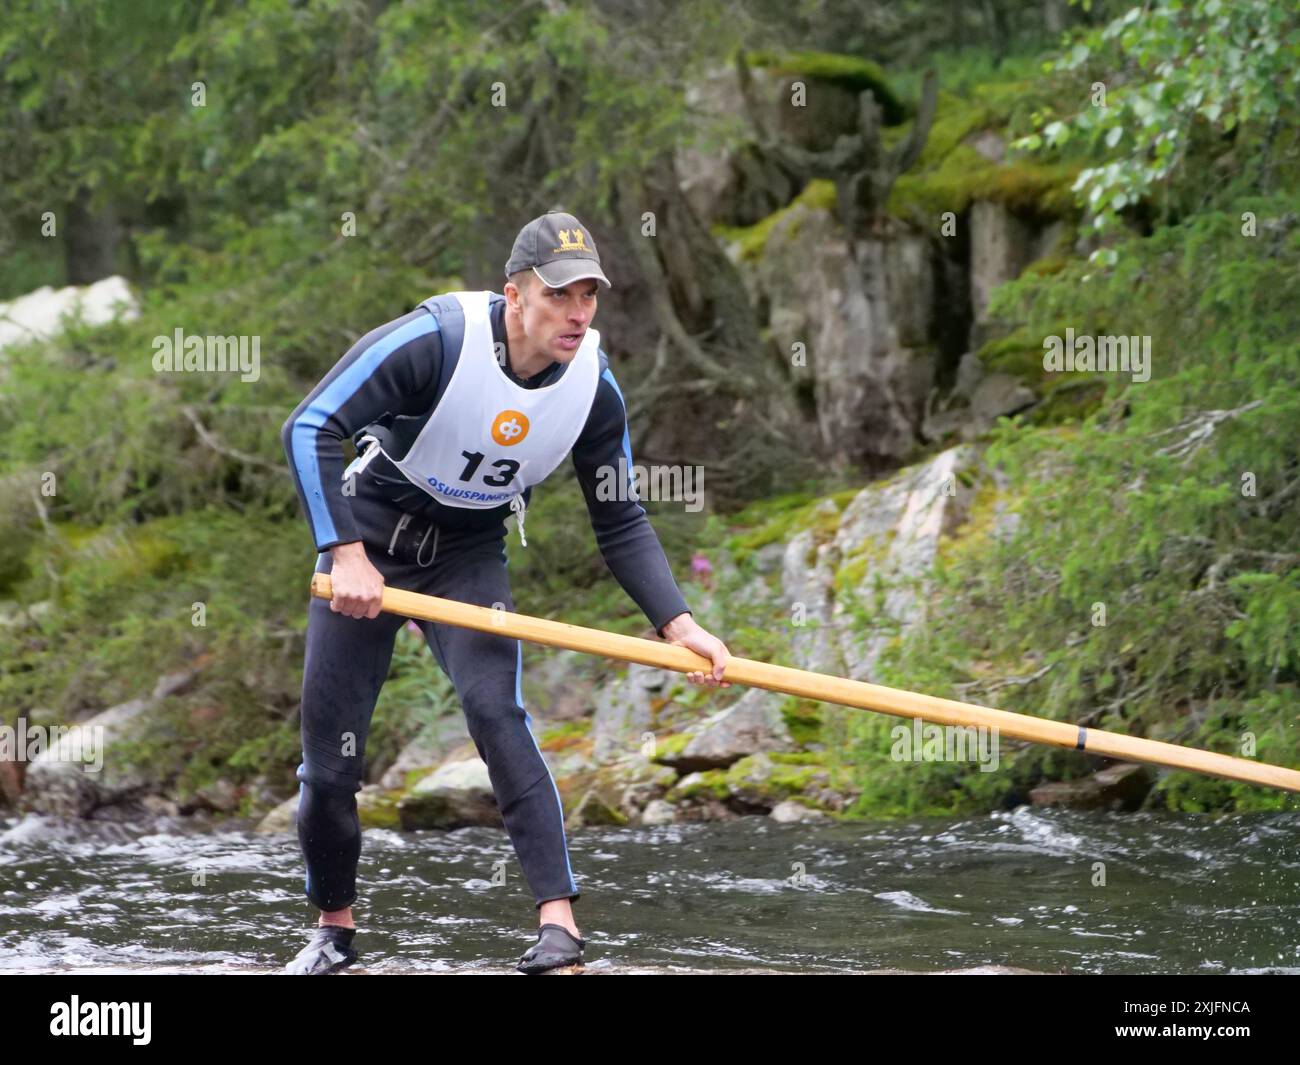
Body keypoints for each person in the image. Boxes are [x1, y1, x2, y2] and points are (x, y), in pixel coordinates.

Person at [278, 210, 731, 974]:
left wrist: (677, 622)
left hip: (467, 552)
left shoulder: (596, 388)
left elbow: (619, 517)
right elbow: (309, 424)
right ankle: (334, 929)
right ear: (515, 295)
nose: (578, 313)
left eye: (590, 295)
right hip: (370, 537)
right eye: (561, 295)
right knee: (330, 767)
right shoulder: (435, 340)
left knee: (497, 711)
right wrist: (345, 550)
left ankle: (561, 928)